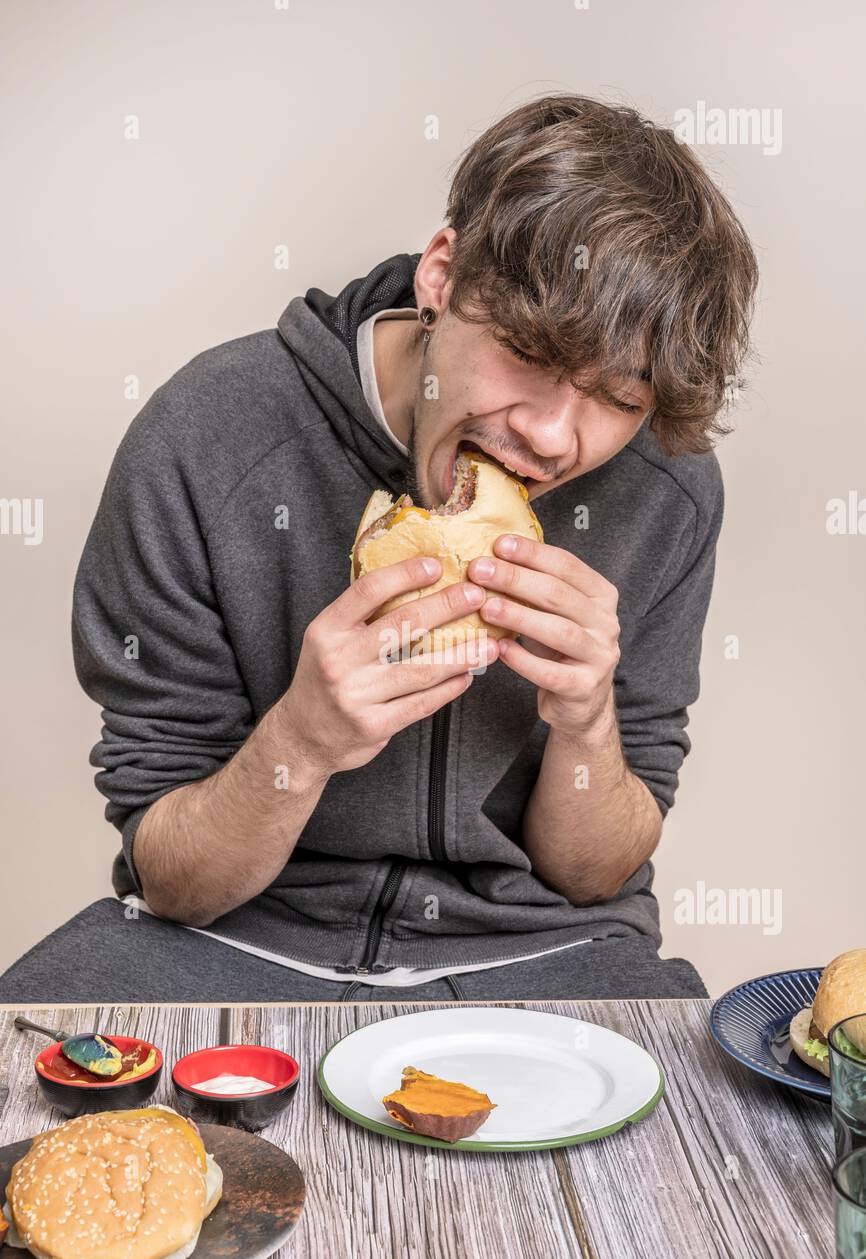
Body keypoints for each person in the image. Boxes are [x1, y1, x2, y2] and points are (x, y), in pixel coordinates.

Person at [0, 93, 758, 1003]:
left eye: (618, 398)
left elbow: (596, 876)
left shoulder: (667, 488)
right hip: (234, 943)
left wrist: (587, 717)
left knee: (721, 1119)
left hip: (544, 954)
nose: (559, 437)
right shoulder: (207, 436)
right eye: (533, 357)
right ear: (442, 275)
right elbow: (173, 881)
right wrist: (304, 737)